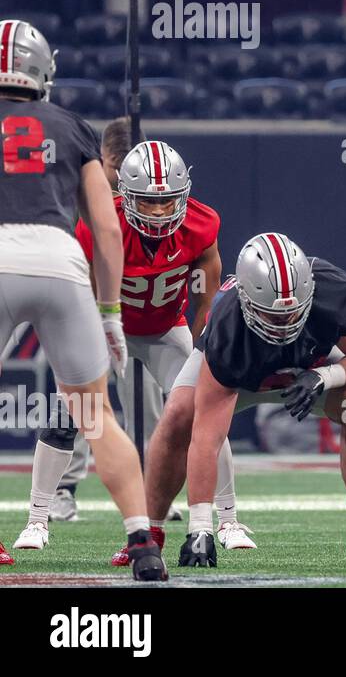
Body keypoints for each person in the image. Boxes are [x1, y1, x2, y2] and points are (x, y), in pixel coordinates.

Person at [14, 140, 248, 560]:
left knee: (206, 411)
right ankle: (37, 518)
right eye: (147, 202)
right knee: (67, 414)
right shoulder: (102, 224)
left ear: (184, 194)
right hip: (108, 327)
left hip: (166, 329)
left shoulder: (201, 225)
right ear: (125, 195)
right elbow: (78, 288)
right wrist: (90, 334)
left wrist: (202, 354)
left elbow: (207, 302)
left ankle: (228, 520)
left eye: (167, 201)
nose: (158, 212)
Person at [0, 19, 166, 580]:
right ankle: (143, 543)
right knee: (97, 415)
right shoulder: (71, 126)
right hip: (60, 259)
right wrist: (112, 314)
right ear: (44, 70)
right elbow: (109, 228)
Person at [153, 233, 346, 569]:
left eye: (294, 312)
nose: (285, 325)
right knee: (179, 414)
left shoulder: (332, 292)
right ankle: (148, 535)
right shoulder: (228, 326)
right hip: (243, 378)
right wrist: (200, 530)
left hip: (307, 376)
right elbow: (207, 437)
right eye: (274, 316)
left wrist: (324, 377)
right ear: (247, 301)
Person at [41, 117, 173, 524]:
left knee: (150, 404)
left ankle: (154, 490)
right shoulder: (88, 191)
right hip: (87, 309)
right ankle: (61, 489)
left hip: (139, 319)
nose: (118, 178)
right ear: (105, 160)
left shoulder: (154, 198)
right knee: (78, 401)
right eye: (116, 169)